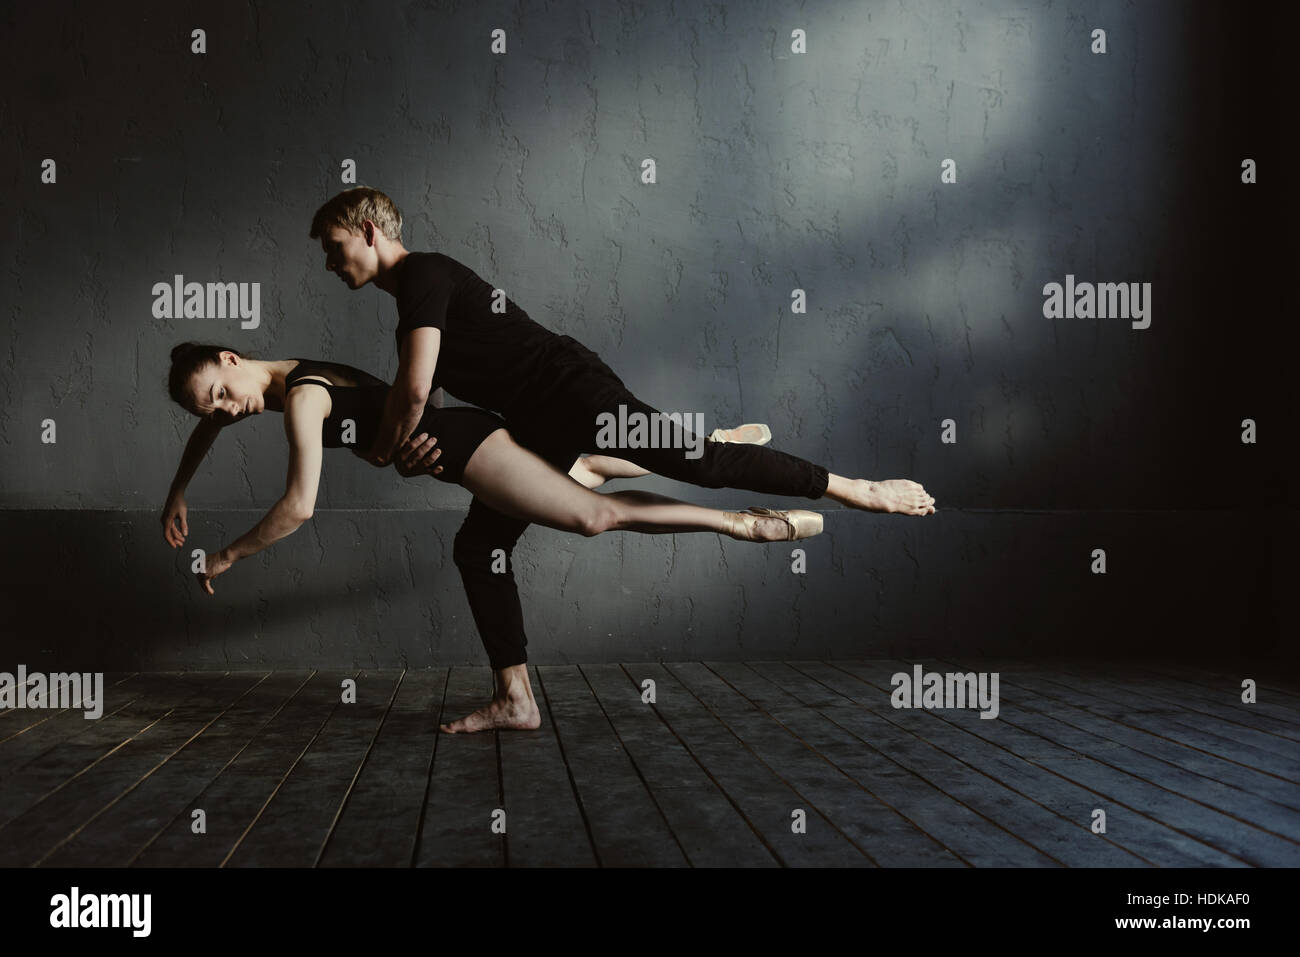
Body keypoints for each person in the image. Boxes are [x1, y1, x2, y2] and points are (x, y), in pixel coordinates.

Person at [308, 186, 937, 733]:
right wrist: (416, 454)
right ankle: (515, 699)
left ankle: (856, 488)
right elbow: (431, 410)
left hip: (567, 389)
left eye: (335, 246)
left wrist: (386, 451)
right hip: (534, 421)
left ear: (368, 231)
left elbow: (414, 394)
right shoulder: (413, 309)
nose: (331, 264)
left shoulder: (423, 274)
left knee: (701, 465)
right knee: (480, 547)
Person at [160, 344, 824, 725]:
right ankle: (708, 443)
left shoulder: (301, 400)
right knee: (576, 473)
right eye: (212, 406)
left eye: (221, 392)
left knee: (593, 511)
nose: (225, 409)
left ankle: (736, 521)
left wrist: (226, 554)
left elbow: (299, 505)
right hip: (466, 439)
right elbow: (210, 425)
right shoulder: (284, 374)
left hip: (469, 451)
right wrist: (179, 488)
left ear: (230, 356)